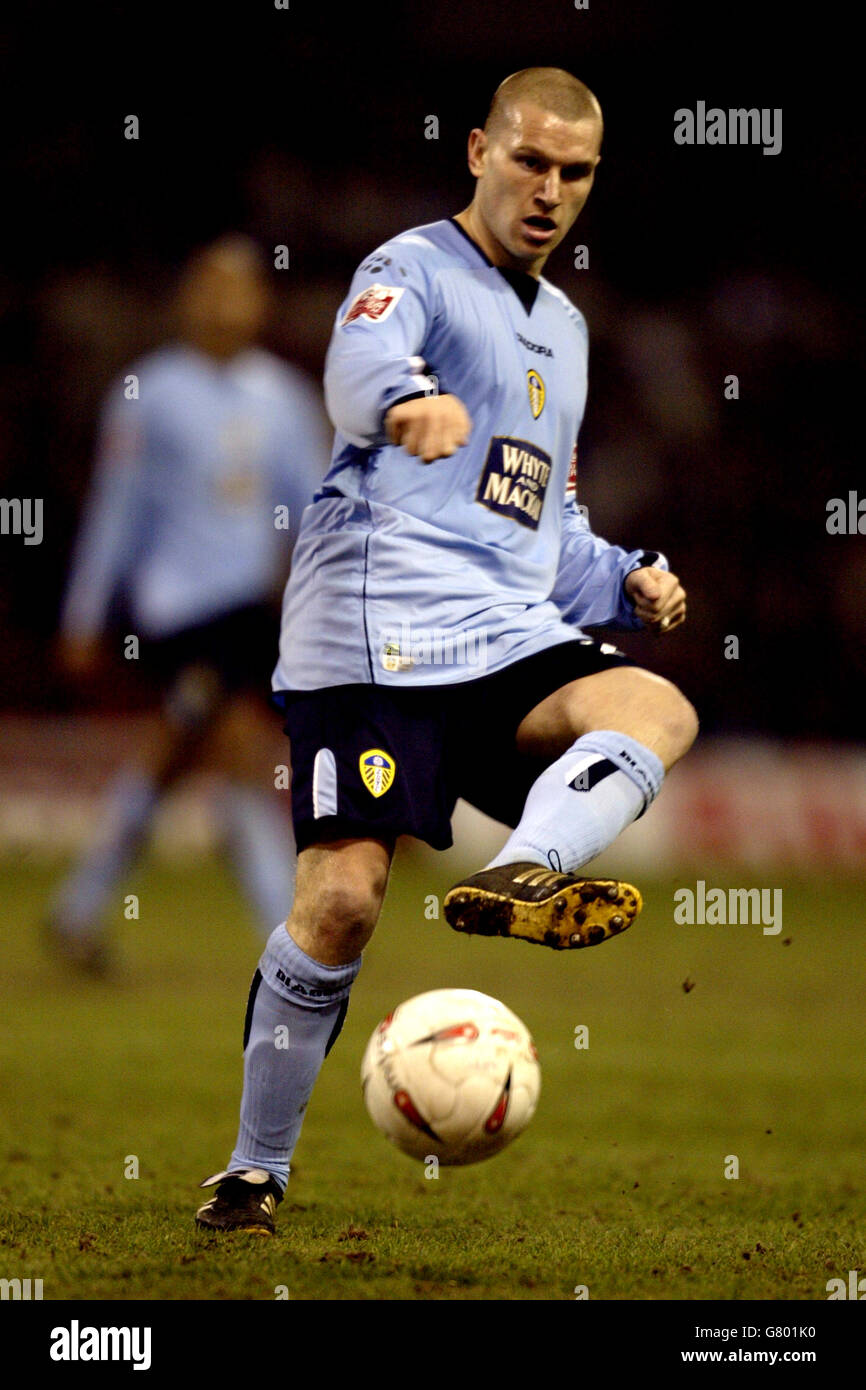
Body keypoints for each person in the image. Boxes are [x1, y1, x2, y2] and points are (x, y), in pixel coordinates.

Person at [195, 69, 697, 1234]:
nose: (548, 190)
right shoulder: (407, 268)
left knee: (653, 708)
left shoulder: (564, 333)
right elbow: (357, 368)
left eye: (573, 173)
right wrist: (403, 400)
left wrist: (621, 576)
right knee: (342, 904)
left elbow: (545, 525)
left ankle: (523, 871)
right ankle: (253, 1169)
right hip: (373, 635)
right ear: (477, 150)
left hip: (503, 634)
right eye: (529, 162)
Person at [48, 235, 331, 971]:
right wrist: (84, 614)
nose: (223, 303)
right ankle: (287, 934)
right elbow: (117, 510)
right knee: (236, 747)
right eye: (210, 287)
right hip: (174, 609)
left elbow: (314, 517)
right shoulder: (149, 390)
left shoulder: (286, 398)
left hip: (252, 610)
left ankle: (76, 908)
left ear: (259, 303)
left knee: (182, 755)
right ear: (186, 299)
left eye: (239, 289)